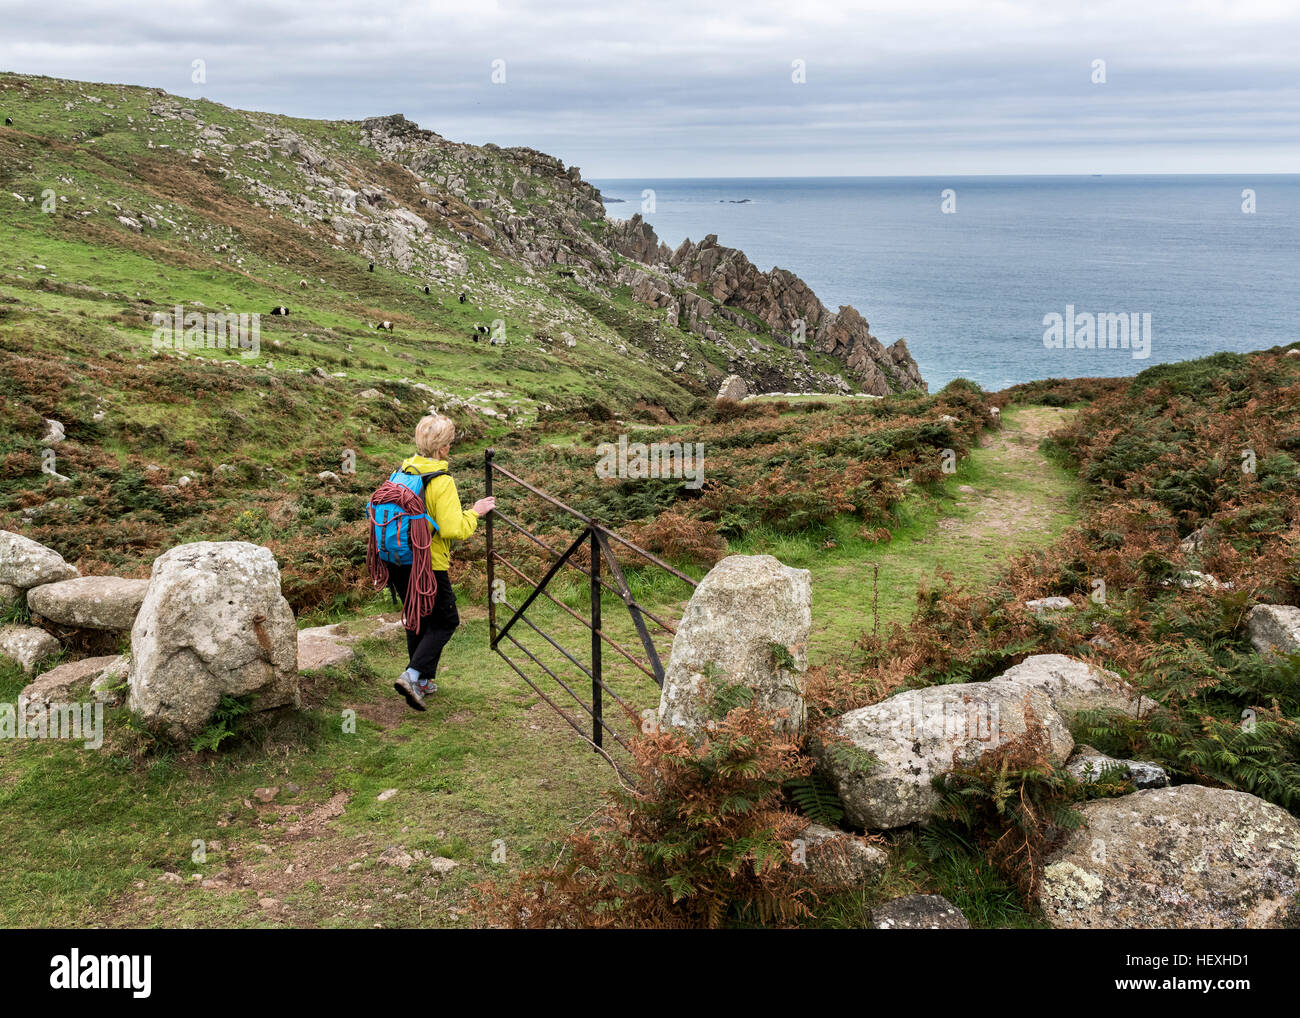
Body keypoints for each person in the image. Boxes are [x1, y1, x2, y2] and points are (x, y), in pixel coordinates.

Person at [383, 414, 493, 711]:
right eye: (449, 444)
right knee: (446, 620)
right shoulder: (440, 480)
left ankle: (423, 681)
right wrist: (476, 511)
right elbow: (453, 528)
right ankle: (412, 674)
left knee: (416, 616)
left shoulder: (403, 469)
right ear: (443, 448)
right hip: (427, 563)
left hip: (397, 559)